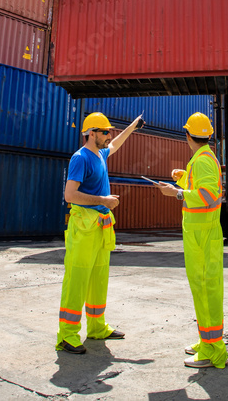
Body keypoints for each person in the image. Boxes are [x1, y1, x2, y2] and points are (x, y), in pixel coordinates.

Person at [56, 111, 143, 355]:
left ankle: (96, 327)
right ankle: (67, 335)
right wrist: (103, 199)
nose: (109, 135)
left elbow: (116, 144)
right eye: (105, 132)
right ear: (91, 133)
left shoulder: (101, 154)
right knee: (77, 279)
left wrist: (132, 126)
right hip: (84, 227)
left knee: (98, 279)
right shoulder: (80, 158)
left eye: (109, 131)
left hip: (101, 226)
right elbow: (70, 195)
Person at [157, 112, 228, 369]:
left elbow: (208, 195)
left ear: (188, 135)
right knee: (201, 288)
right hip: (200, 233)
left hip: (203, 234)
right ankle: (206, 340)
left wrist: (177, 193)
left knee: (206, 289)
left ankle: (214, 350)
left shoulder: (203, 161)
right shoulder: (201, 158)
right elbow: (200, 186)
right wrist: (183, 177)